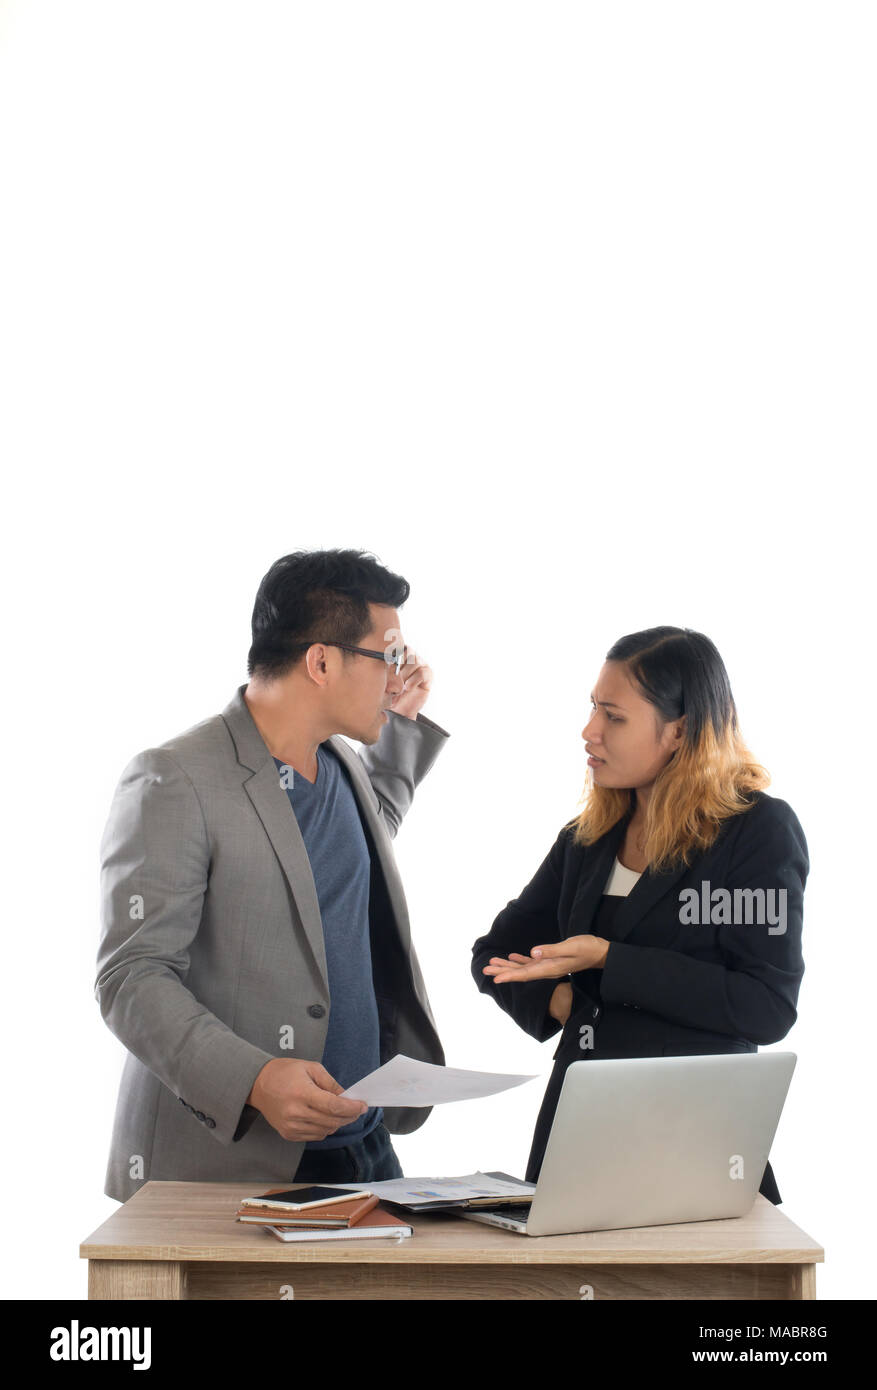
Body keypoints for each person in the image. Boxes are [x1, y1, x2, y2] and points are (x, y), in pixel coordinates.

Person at [97, 549, 448, 1203]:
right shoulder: (176, 777)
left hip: (364, 1144)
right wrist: (254, 1079)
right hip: (229, 1166)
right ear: (321, 662)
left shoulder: (338, 763)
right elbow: (131, 977)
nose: (401, 672)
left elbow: (352, 847)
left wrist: (398, 727)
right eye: (388, 655)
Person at [471, 626, 807, 1204]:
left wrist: (609, 961)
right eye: (592, 710)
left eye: (614, 716)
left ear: (679, 731)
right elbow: (492, 954)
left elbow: (766, 1006)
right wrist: (561, 1002)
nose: (589, 731)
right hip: (575, 1138)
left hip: (696, 1144)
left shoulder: (757, 832)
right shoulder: (587, 838)